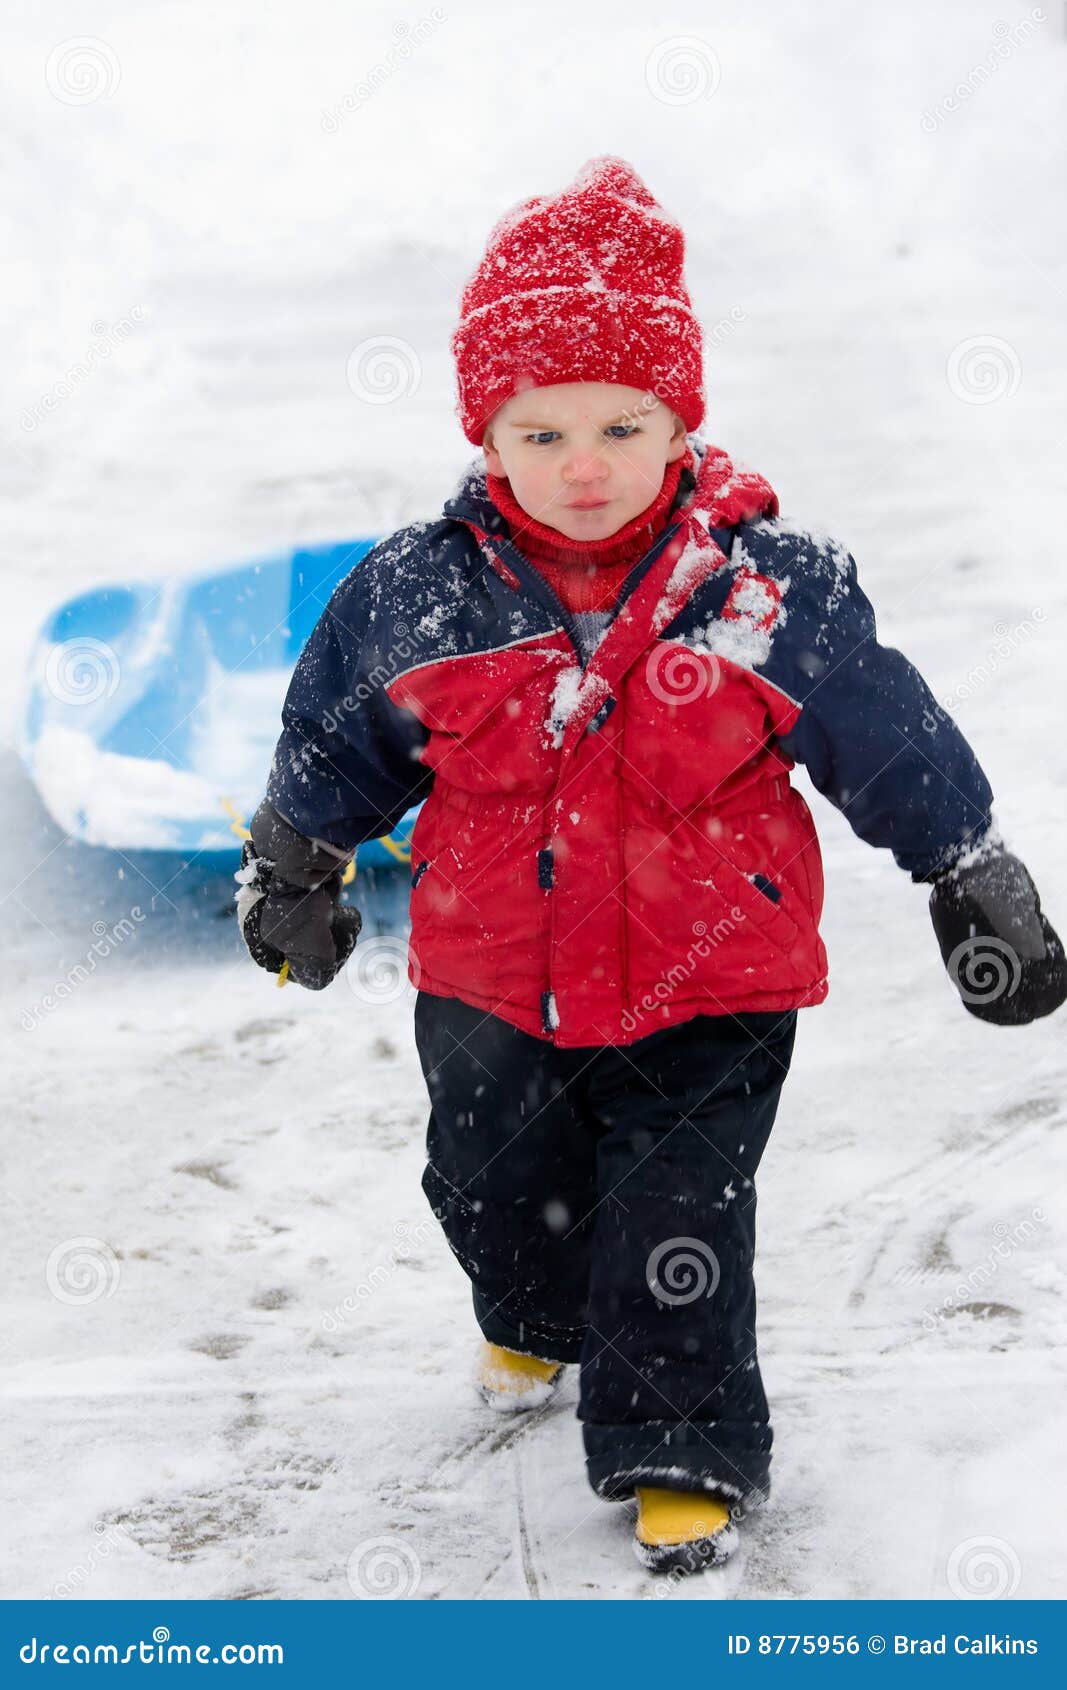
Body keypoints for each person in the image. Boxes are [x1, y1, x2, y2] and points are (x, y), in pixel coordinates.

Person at [236, 157, 1066, 1576]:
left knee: (679, 1212)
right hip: (490, 976)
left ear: (683, 422)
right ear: (486, 434)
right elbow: (339, 736)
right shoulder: (417, 593)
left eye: (624, 425)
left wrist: (966, 868)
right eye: (541, 430)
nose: (585, 464)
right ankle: (534, 1306)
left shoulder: (763, 593)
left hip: (712, 979)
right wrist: (297, 860)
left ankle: (681, 1441)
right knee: (492, 1179)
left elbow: (888, 733)